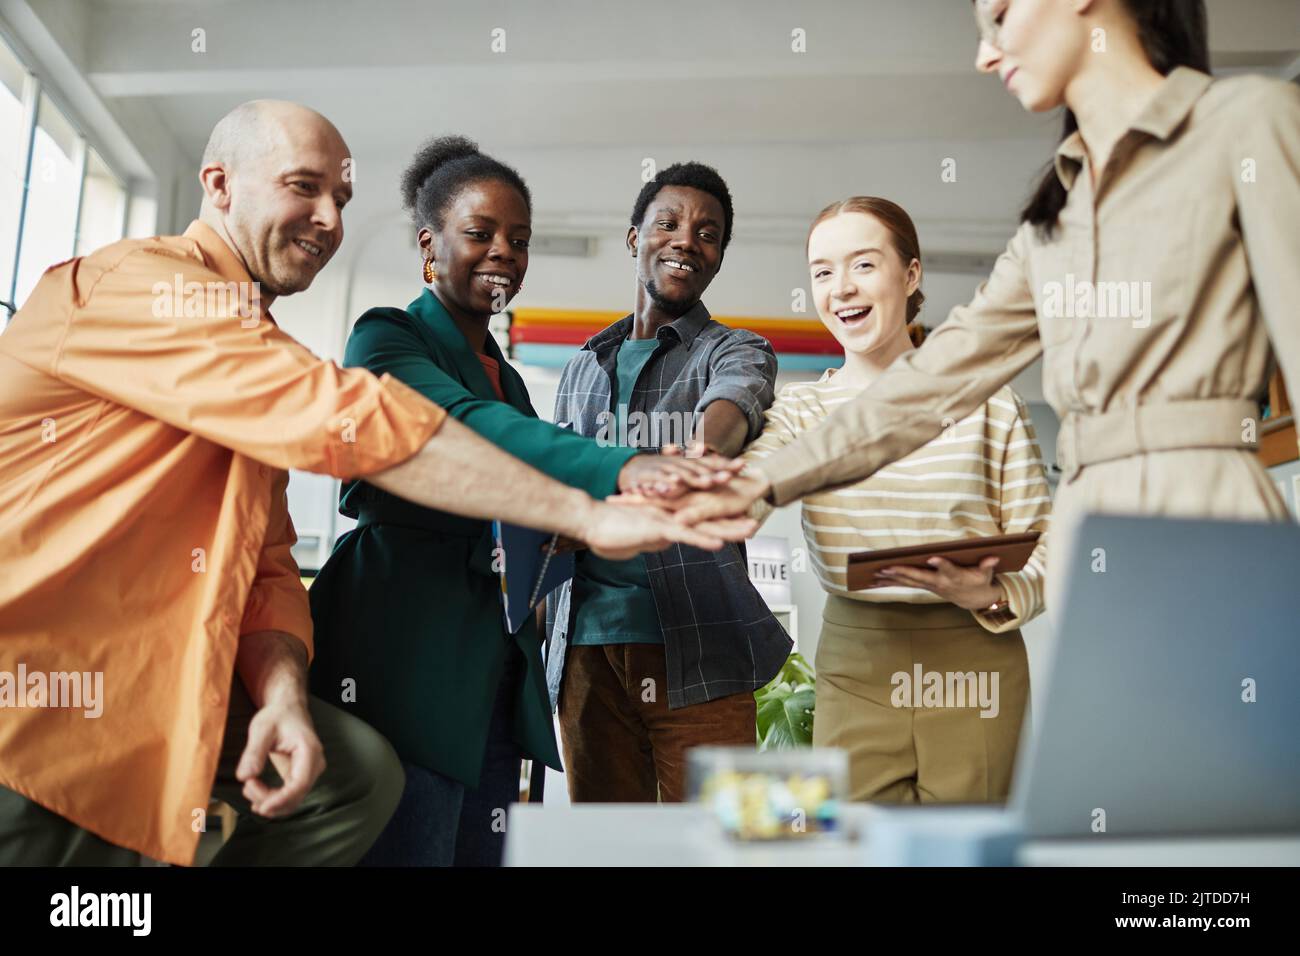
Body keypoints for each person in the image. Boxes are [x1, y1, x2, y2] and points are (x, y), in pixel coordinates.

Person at [0, 102, 750, 867]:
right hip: (46, 717)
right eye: (303, 186)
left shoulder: (282, 351)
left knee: (356, 780)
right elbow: (366, 420)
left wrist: (285, 695)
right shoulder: (150, 289)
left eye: (342, 200)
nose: (328, 218)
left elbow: (267, 564)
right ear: (219, 185)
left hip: (482, 669)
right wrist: (599, 495)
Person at [670, 0, 1300, 633]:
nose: (985, 54)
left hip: (1216, 524)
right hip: (1092, 548)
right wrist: (759, 482)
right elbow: (925, 387)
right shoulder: (1050, 228)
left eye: (999, 15)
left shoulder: (1247, 124)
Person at [307, 137, 743, 866]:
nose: (503, 253)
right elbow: (479, 433)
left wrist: (567, 527)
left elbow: (526, 479)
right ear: (429, 244)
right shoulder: (387, 337)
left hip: (491, 667)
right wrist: (628, 469)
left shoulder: (508, 377)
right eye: (480, 234)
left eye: (519, 240)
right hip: (400, 644)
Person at [743, 197, 1051, 802]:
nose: (840, 289)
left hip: (975, 658)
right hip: (857, 657)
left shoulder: (990, 401)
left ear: (911, 275)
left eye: (863, 264)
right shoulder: (802, 409)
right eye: (823, 272)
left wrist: (991, 593)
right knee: (858, 846)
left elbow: (1046, 550)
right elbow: (756, 479)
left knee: (968, 852)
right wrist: (706, 497)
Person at [547, 162, 792, 805]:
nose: (687, 239)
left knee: (718, 845)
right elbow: (552, 492)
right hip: (586, 653)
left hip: (701, 646)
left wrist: (699, 455)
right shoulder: (580, 368)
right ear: (635, 239)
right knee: (605, 849)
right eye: (669, 223)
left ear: (717, 260)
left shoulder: (735, 348)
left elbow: (734, 407)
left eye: (708, 234)